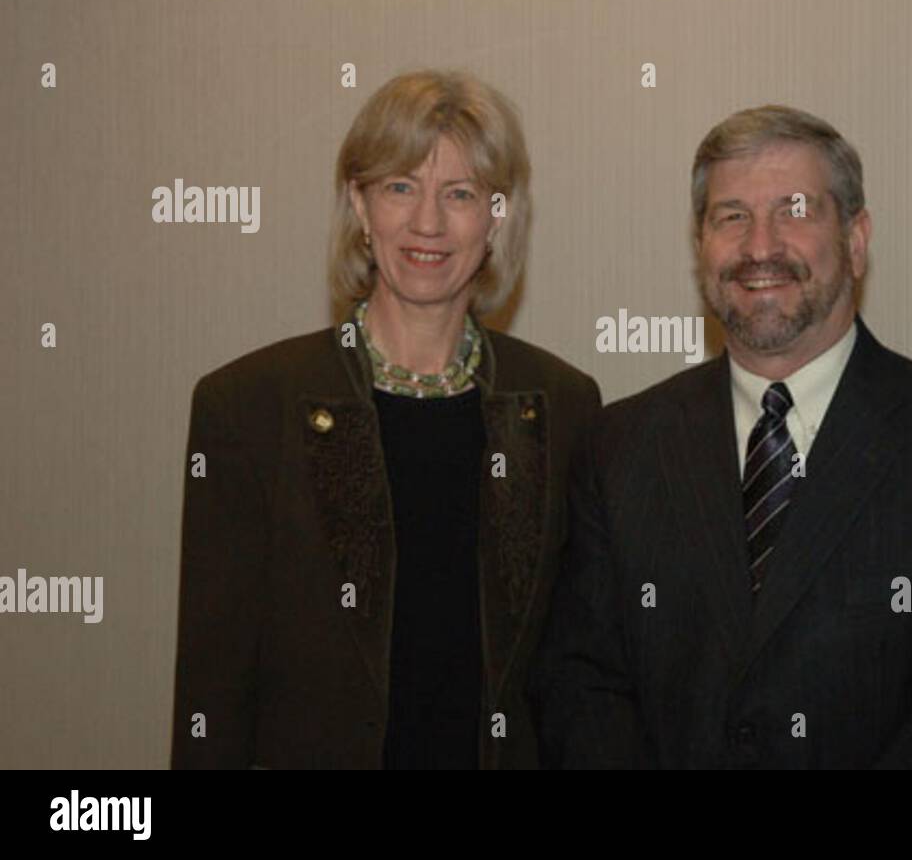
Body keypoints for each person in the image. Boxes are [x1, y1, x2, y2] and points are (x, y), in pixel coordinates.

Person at [530, 104, 912, 768]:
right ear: (701, 247)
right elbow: (582, 686)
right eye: (732, 217)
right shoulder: (618, 447)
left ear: (856, 240)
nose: (760, 247)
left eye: (796, 210)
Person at [171, 69, 601, 769]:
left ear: (497, 217)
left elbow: (576, 676)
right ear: (359, 205)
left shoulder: (563, 404)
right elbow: (213, 692)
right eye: (400, 186)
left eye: (459, 194)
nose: (427, 222)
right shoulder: (249, 408)